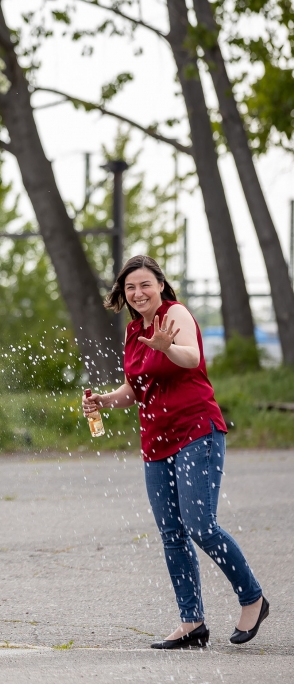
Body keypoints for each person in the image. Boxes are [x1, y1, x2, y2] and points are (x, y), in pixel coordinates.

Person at [83, 255, 268, 649]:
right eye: (130, 287)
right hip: (156, 441)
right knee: (171, 533)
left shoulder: (175, 315)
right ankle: (192, 622)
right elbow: (135, 390)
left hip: (196, 430)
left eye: (145, 284)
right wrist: (104, 399)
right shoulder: (134, 332)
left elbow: (192, 358)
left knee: (201, 525)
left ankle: (252, 597)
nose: (138, 293)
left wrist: (168, 348)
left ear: (161, 286)